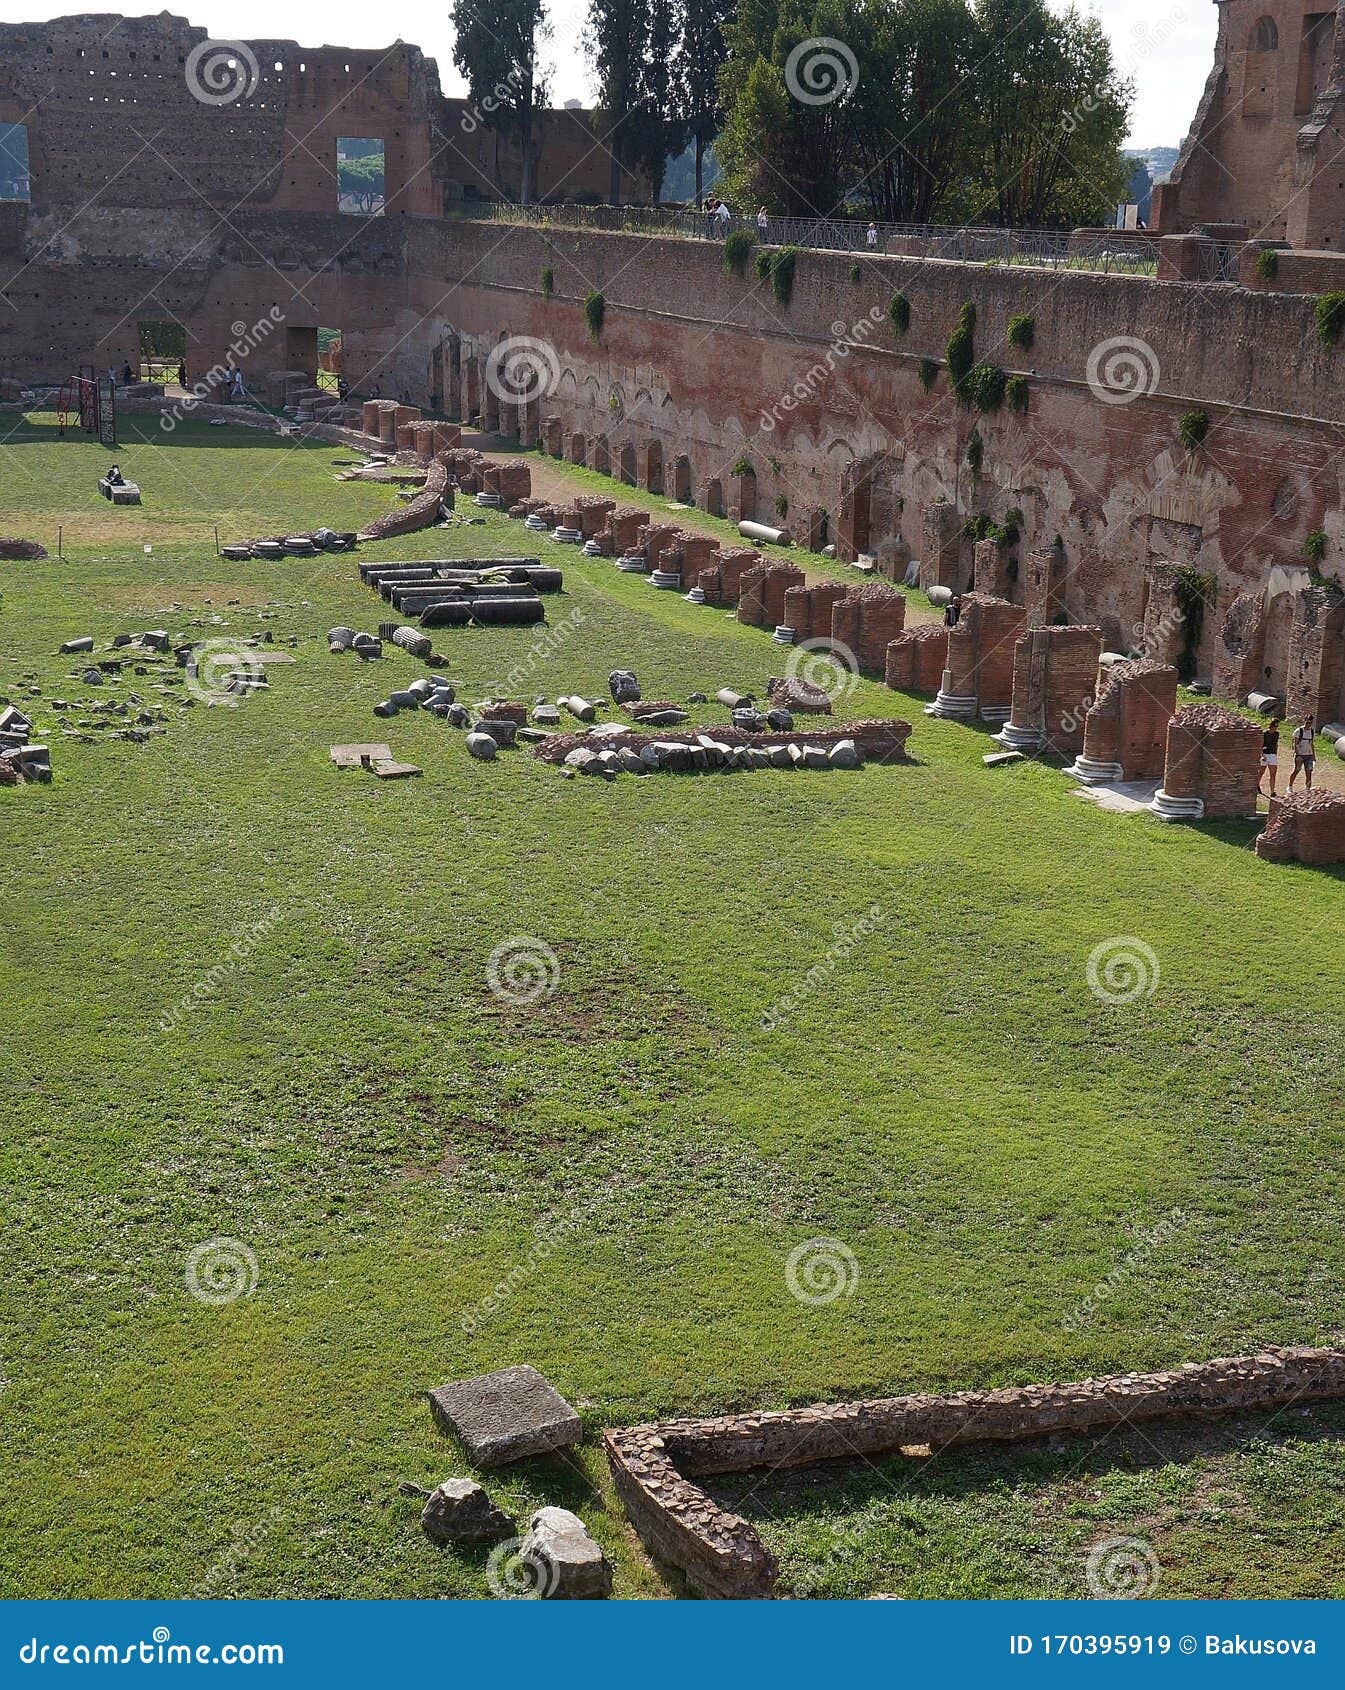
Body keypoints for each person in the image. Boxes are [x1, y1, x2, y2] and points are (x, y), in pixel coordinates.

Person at [1289, 713, 1317, 790]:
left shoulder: (1311, 731)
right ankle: (1290, 786)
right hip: (1300, 755)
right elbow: (1295, 744)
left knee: (1309, 772)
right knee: (1296, 770)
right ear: (1304, 721)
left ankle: (1307, 788)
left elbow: (1311, 744)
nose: (1308, 724)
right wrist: (1298, 755)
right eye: (1307, 722)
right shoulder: (1299, 731)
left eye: (1310, 723)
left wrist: (1314, 756)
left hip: (1309, 755)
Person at [1258, 717, 1280, 797]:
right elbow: (1260, 745)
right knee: (1261, 772)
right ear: (1271, 726)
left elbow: (1276, 744)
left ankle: (1272, 791)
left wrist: (1275, 754)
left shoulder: (1277, 734)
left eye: (1277, 726)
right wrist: (1262, 755)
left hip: (1272, 754)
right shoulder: (1264, 734)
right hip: (1265, 754)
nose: (1276, 728)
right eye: (1275, 726)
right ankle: (1257, 785)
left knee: (1273, 774)